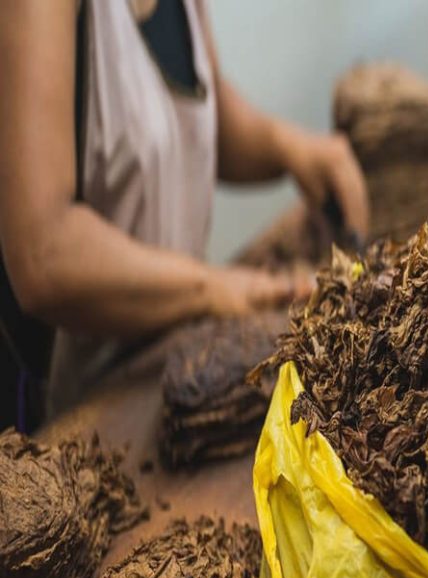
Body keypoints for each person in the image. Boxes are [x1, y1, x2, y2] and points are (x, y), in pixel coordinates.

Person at [0, 0, 369, 429]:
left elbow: (197, 115)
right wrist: (210, 288)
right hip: (66, 402)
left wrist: (290, 147)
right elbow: (45, 254)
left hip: (160, 357)